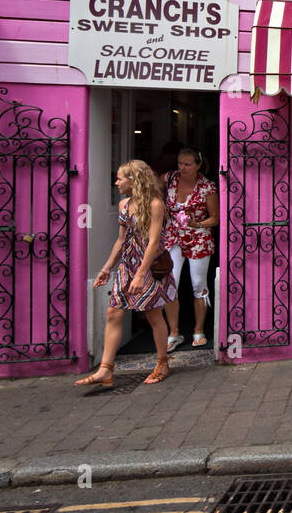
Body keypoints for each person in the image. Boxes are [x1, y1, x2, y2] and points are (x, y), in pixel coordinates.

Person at [76, 159, 178, 388]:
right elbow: (121, 240)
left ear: (134, 180)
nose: (117, 182)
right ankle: (105, 369)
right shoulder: (123, 204)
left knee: (153, 314)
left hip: (149, 266)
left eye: (120, 178)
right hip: (127, 264)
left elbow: (153, 242)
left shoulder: (155, 204)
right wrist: (106, 268)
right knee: (113, 312)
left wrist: (141, 274)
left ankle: (162, 362)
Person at [161, 148, 218, 350]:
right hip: (173, 237)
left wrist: (198, 225)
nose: (182, 168)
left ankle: (199, 330)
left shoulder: (207, 187)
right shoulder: (169, 179)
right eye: (180, 163)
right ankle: (174, 332)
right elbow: (150, 190)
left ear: (198, 165)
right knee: (171, 282)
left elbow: (215, 218)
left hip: (198, 239)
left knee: (198, 284)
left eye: (187, 164)